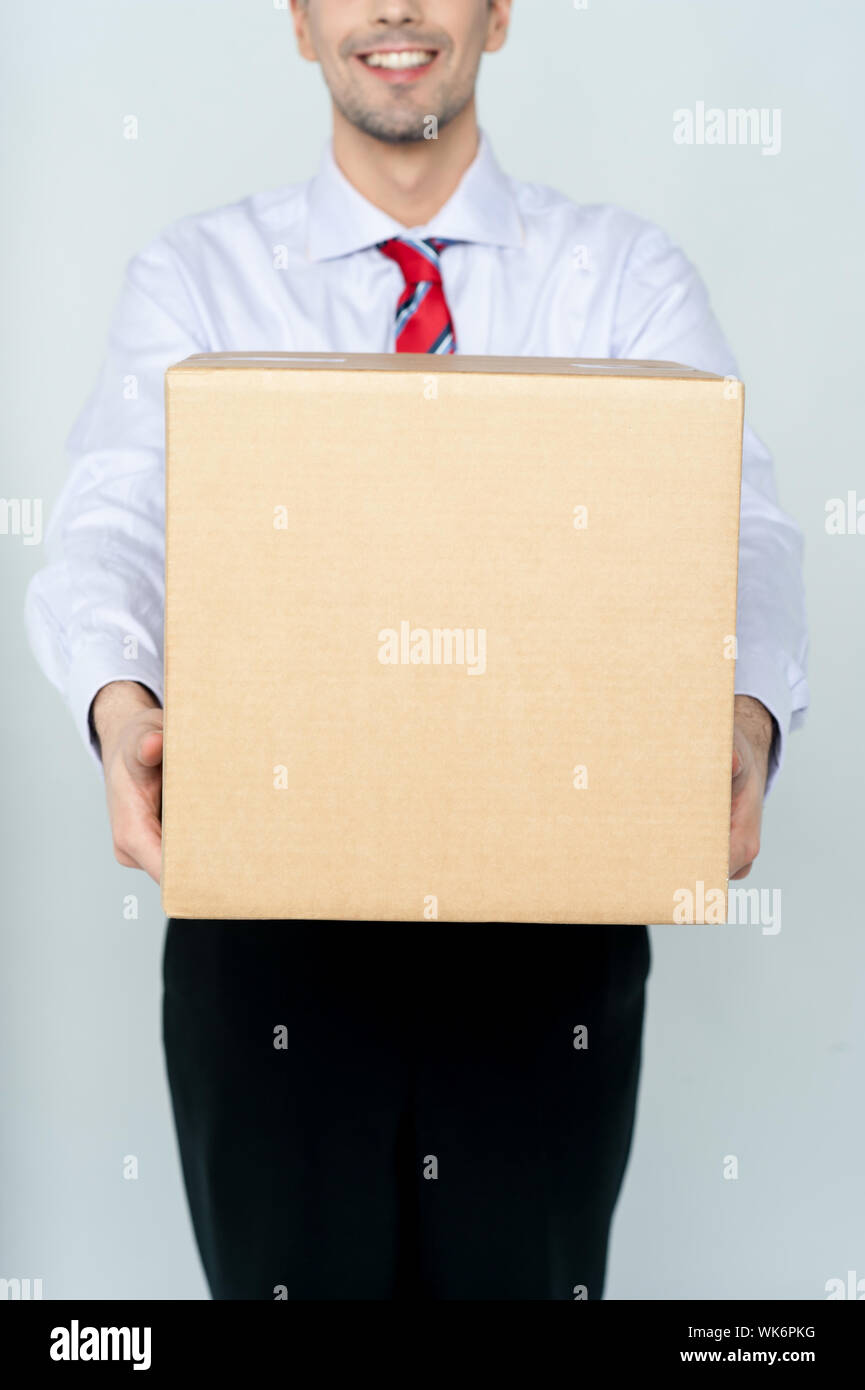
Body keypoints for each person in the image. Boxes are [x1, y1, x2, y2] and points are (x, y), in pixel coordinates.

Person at [25, 0, 808, 1300]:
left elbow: (741, 526)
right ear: (297, 22)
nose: (393, 10)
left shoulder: (617, 276)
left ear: (498, 13)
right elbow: (114, 518)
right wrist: (119, 702)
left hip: (547, 925)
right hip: (267, 928)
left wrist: (743, 718)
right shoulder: (196, 277)